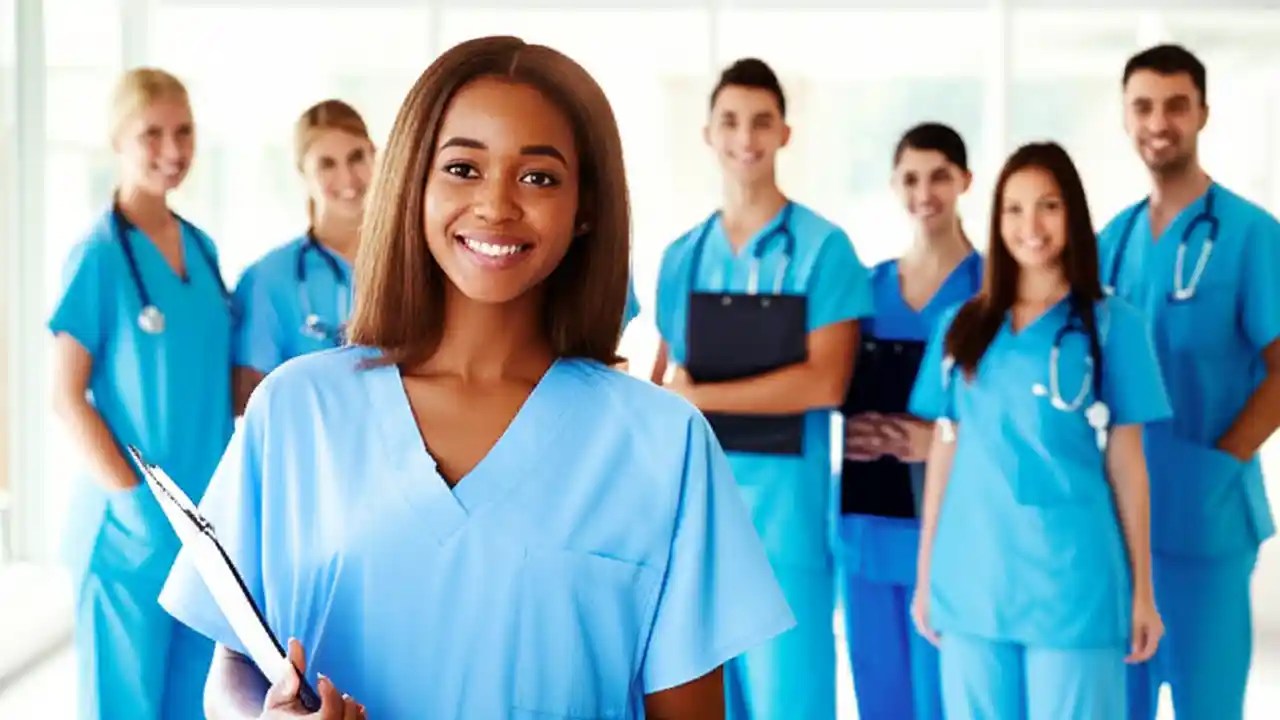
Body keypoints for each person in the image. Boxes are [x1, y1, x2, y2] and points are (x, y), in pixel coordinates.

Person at [157, 35, 794, 720]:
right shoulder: (297, 408)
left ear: (585, 209)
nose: (496, 205)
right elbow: (232, 670)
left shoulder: (663, 443)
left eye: (539, 176)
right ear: (413, 183)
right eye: (463, 168)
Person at [909, 142, 1170, 719]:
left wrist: (1143, 592)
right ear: (996, 219)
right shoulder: (962, 327)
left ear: (1073, 214)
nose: (1031, 226)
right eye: (1014, 209)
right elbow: (944, 454)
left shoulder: (1112, 326)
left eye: (1048, 206)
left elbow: (1129, 466)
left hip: (1074, 582)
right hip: (973, 577)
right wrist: (928, 576)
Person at [653, 57, 872, 720]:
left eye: (761, 121)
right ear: (709, 134)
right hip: (697, 528)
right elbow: (664, 390)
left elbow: (826, 380)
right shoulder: (681, 256)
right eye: (730, 121)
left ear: (784, 132)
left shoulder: (823, 248)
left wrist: (703, 398)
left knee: (790, 706)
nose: (745, 136)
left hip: (786, 531)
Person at [1096, 44, 1280, 720]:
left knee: (1208, 704)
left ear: (1202, 112)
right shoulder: (1110, 241)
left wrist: (1218, 465)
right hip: (1119, 522)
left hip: (1206, 519)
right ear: (1125, 117)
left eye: (1176, 104)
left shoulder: (1251, 234)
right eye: (1143, 106)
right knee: (1123, 704)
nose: (1159, 121)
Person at [48, 67, 231, 720]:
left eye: (184, 131)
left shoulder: (204, 250)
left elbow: (223, 378)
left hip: (202, 523)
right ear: (116, 141)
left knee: (191, 702)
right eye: (151, 133)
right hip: (132, 530)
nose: (173, 149)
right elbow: (66, 396)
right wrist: (133, 506)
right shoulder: (98, 255)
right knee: (123, 706)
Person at [837, 122, 982, 720]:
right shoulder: (866, 289)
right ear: (896, 186)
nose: (926, 192)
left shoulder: (992, 291)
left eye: (940, 176)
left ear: (965, 182)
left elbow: (1017, 418)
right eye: (913, 178)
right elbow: (827, 386)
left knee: (946, 699)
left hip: (955, 533)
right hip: (866, 527)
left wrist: (941, 442)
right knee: (881, 700)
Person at [231, 100, 375, 413]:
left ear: (376, 155)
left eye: (357, 157)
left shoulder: (414, 264)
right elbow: (251, 402)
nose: (348, 178)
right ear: (302, 173)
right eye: (327, 164)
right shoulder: (269, 279)